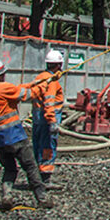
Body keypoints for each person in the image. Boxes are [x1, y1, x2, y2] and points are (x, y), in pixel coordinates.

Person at [0, 58, 54, 210]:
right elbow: (29, 94)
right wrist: (45, 84)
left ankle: (6, 196)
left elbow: (16, 89)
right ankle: (42, 198)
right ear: (0, 75)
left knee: (10, 168)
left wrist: (34, 82)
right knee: (31, 166)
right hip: (14, 135)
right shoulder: (3, 88)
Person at [31, 50, 66, 187]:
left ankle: (36, 178)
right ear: (59, 65)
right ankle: (45, 179)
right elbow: (49, 102)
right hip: (47, 120)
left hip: (38, 119)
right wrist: (52, 121)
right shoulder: (51, 82)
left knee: (38, 146)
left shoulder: (41, 77)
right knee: (47, 147)